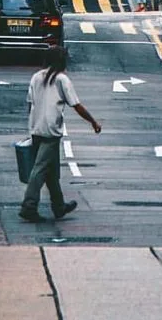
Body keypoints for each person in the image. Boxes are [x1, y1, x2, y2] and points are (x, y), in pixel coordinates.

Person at [20, 47, 101, 222]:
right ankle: (29, 205)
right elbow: (76, 105)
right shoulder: (61, 79)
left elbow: (30, 103)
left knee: (52, 172)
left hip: (36, 128)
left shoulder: (36, 77)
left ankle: (58, 206)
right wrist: (93, 121)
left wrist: (32, 124)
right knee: (40, 169)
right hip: (51, 131)